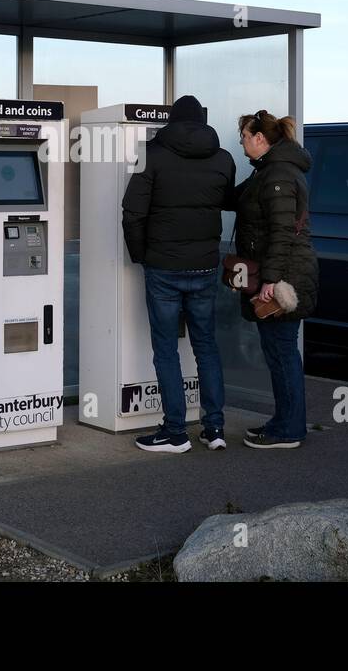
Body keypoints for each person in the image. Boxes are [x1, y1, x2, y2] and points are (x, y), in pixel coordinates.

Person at [122, 95, 236, 453]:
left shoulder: (150, 154)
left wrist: (141, 255)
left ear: (171, 122)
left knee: (167, 350)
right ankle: (214, 428)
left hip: (164, 267)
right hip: (204, 265)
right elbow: (225, 201)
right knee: (206, 347)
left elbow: (132, 213)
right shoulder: (224, 158)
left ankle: (175, 432)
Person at [231, 110, 319, 449]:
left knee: (282, 352)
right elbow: (233, 199)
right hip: (283, 272)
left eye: (243, 137)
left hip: (285, 277)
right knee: (279, 351)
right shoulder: (267, 171)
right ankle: (284, 421)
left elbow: (283, 232)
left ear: (259, 138)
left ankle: (289, 430)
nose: (241, 143)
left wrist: (269, 279)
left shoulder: (278, 175)